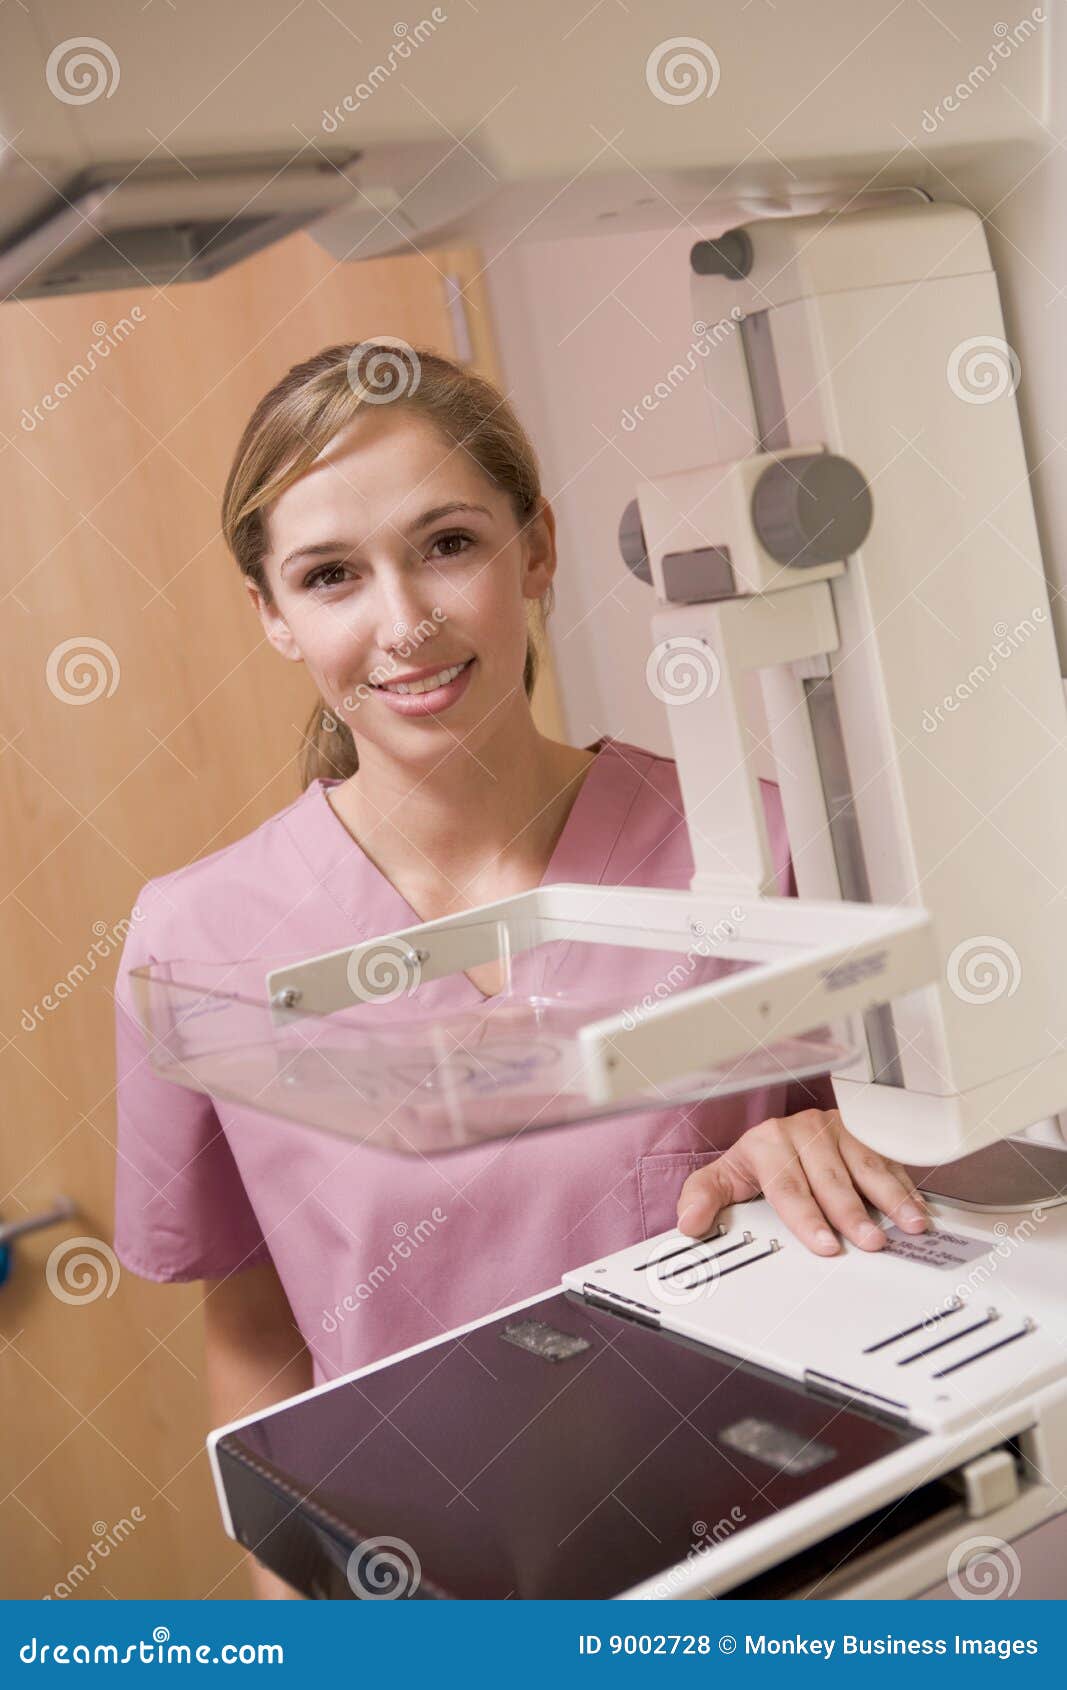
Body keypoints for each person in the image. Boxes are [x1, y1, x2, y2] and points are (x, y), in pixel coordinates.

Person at [112, 342, 929, 1597]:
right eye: (330, 575)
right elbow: (255, 1333)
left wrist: (820, 1166)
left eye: (447, 544)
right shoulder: (193, 940)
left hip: (762, 1572)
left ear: (534, 547)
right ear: (273, 612)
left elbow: (931, 1208)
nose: (405, 623)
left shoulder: (761, 853)